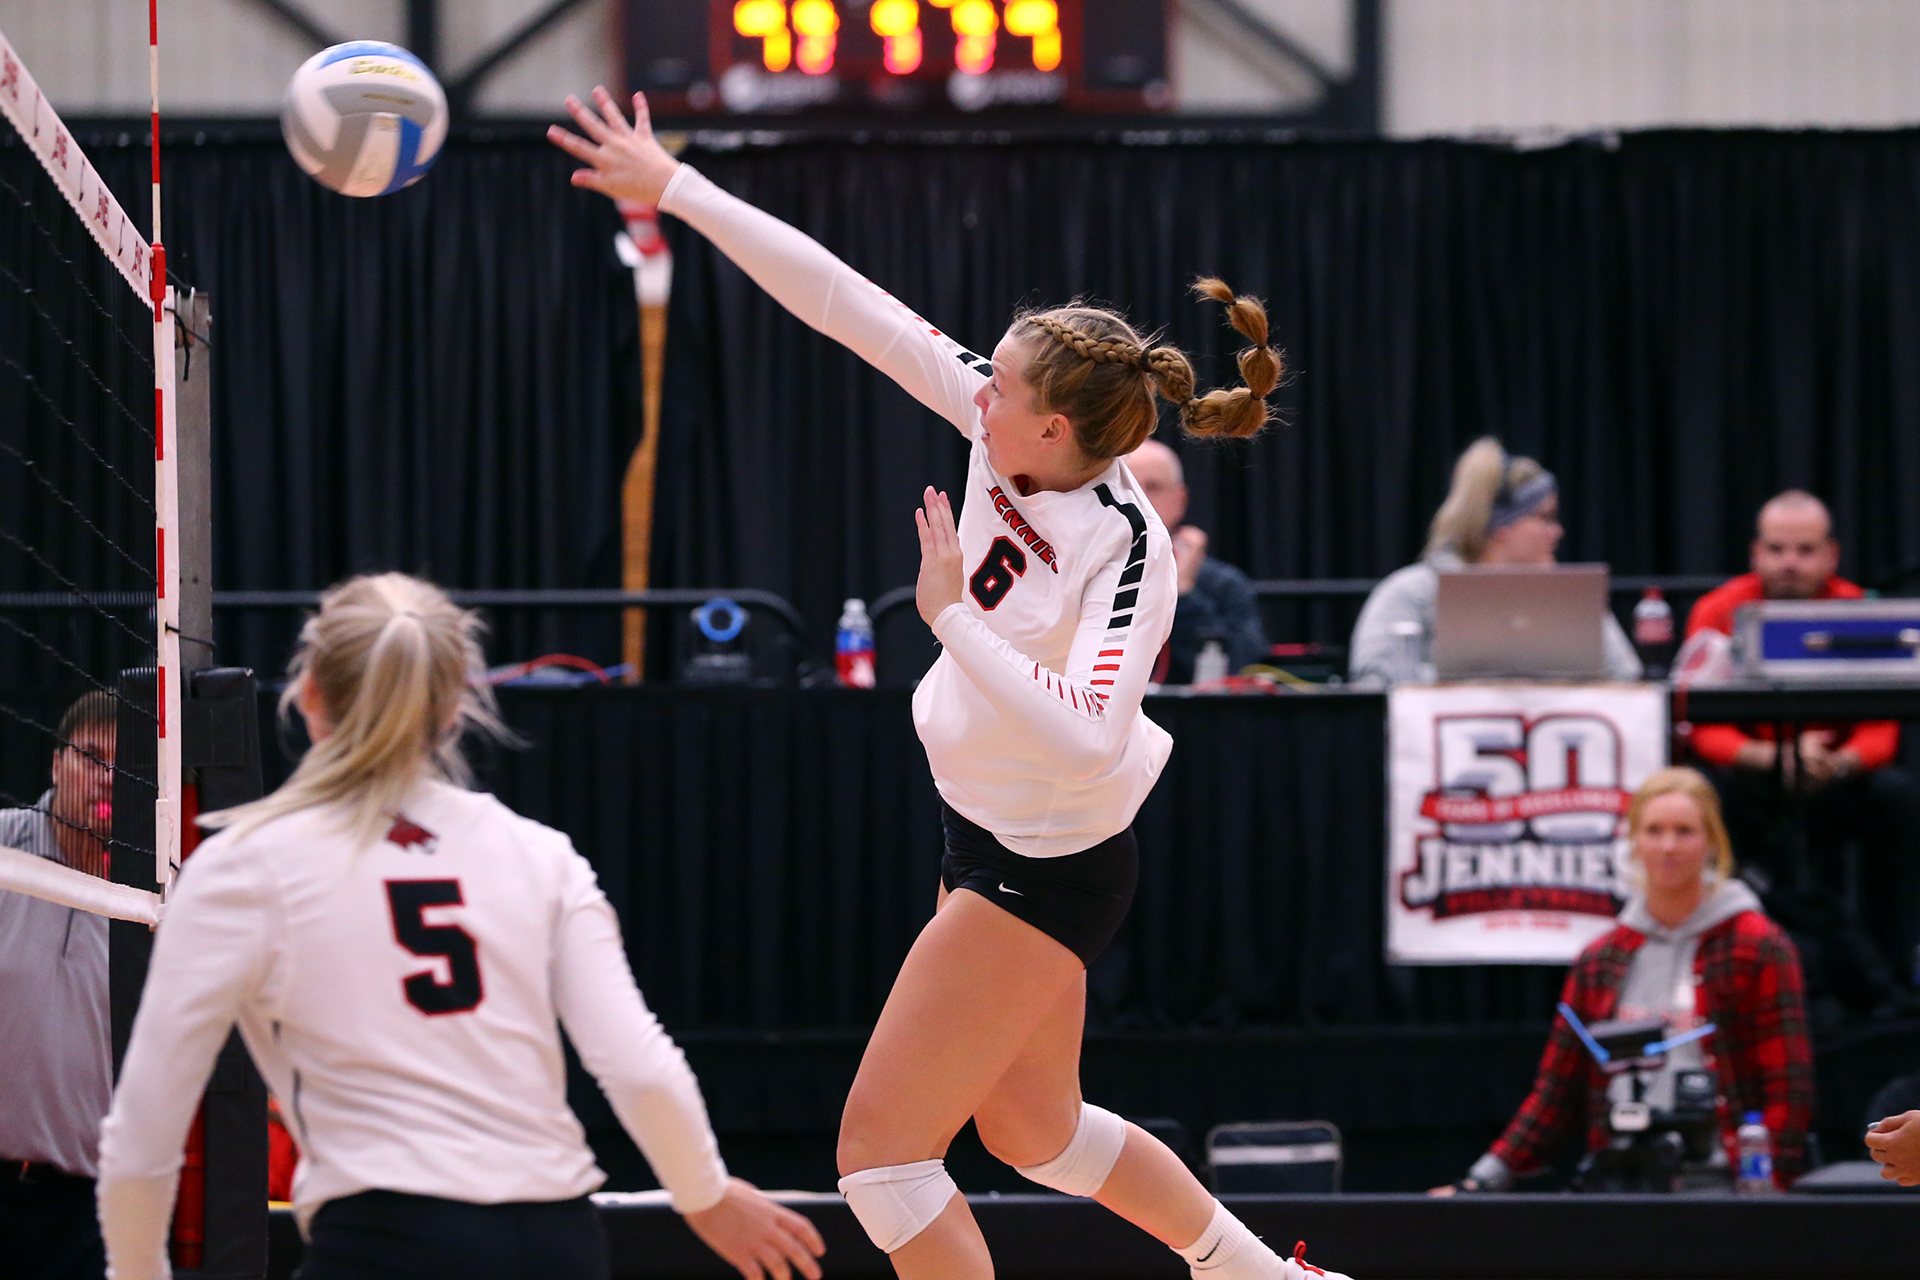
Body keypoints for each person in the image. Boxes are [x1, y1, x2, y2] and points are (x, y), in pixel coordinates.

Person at [550, 88, 1348, 1280]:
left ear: (1060, 431)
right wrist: (677, 189)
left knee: (880, 1157)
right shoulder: (1000, 426)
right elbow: (848, 304)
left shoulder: (1125, 550)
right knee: (1038, 1132)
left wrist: (952, 621)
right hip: (988, 828)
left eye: (1005, 389)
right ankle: (1262, 1275)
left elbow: (1088, 735)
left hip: (1049, 853)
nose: (981, 392)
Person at [95, 574, 824, 1280]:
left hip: (389, 1239)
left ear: (308, 693)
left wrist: (135, 1271)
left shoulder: (242, 868)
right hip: (558, 1243)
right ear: (453, 710)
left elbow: (146, 1130)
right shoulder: (540, 854)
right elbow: (638, 1066)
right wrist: (704, 1192)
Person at [1437, 768, 1814, 1192]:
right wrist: (1480, 1181)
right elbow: (1556, 1094)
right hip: (1621, 1180)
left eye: (1685, 831)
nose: (1668, 846)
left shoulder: (1757, 946)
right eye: (1654, 831)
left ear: (1712, 842)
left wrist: (1765, 1186)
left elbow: (1789, 1087)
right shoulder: (1602, 959)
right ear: (1633, 841)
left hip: (1723, 1182)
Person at [1684, 490, 1920, 994]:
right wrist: (1769, 757)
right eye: (1777, 549)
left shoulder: (1863, 613)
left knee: (1898, 798)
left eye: (1805, 550)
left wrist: (1835, 765)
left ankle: (1892, 970)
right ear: (1755, 552)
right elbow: (1698, 725)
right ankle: (1715, 970)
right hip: (1750, 781)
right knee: (1696, 793)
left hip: (1832, 780)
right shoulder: (1717, 610)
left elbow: (1884, 729)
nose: (1789, 563)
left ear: (1832, 554)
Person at [1349, 437, 1640, 684]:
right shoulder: (1412, 592)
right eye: (1545, 518)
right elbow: (1373, 680)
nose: (1558, 531)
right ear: (1500, 526)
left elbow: (1626, 675)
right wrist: (1502, 687)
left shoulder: (1567, 597)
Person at [0, 691, 116, 1280]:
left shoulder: (154, 896)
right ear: (55, 764)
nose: (105, 778)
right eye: (91, 756)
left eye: (122, 766)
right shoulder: (4, 850)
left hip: (86, 1209)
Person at [1124, 439, 1269, 683]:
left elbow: (1241, 666)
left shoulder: (1222, 584)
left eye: (1153, 487)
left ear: (1180, 499)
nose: (1140, 500)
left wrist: (1184, 593)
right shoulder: (1081, 571)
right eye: (1127, 487)